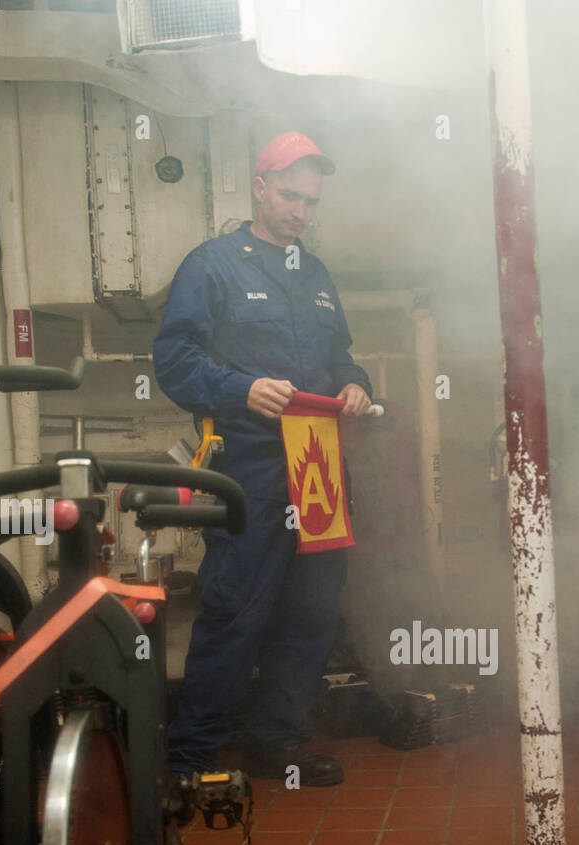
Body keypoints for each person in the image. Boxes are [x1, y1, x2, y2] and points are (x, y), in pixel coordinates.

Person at [153, 131, 373, 785]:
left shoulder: (319, 274)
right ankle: (190, 759)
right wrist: (240, 388)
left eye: (310, 201)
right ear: (258, 185)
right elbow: (173, 362)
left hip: (320, 462)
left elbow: (341, 357)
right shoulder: (212, 265)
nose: (300, 212)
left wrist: (355, 382)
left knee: (311, 611)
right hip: (247, 465)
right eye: (288, 196)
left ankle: (276, 743)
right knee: (236, 609)